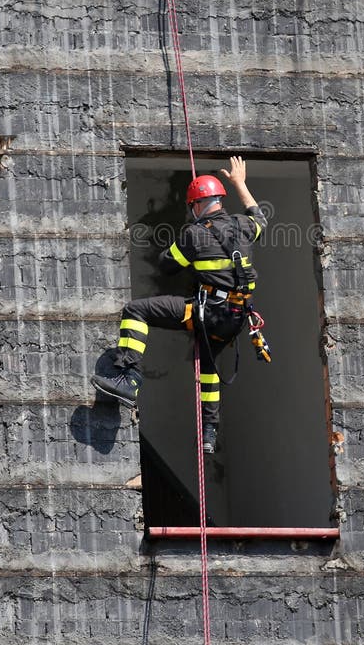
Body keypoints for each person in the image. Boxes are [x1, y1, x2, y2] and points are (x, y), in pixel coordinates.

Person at [91, 155, 267, 453]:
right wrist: (240, 182)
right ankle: (209, 431)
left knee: (136, 311)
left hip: (207, 313)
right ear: (220, 200)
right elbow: (260, 217)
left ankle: (127, 376)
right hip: (236, 317)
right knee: (209, 364)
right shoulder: (244, 226)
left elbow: (167, 265)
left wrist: (188, 242)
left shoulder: (194, 234)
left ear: (197, 206)